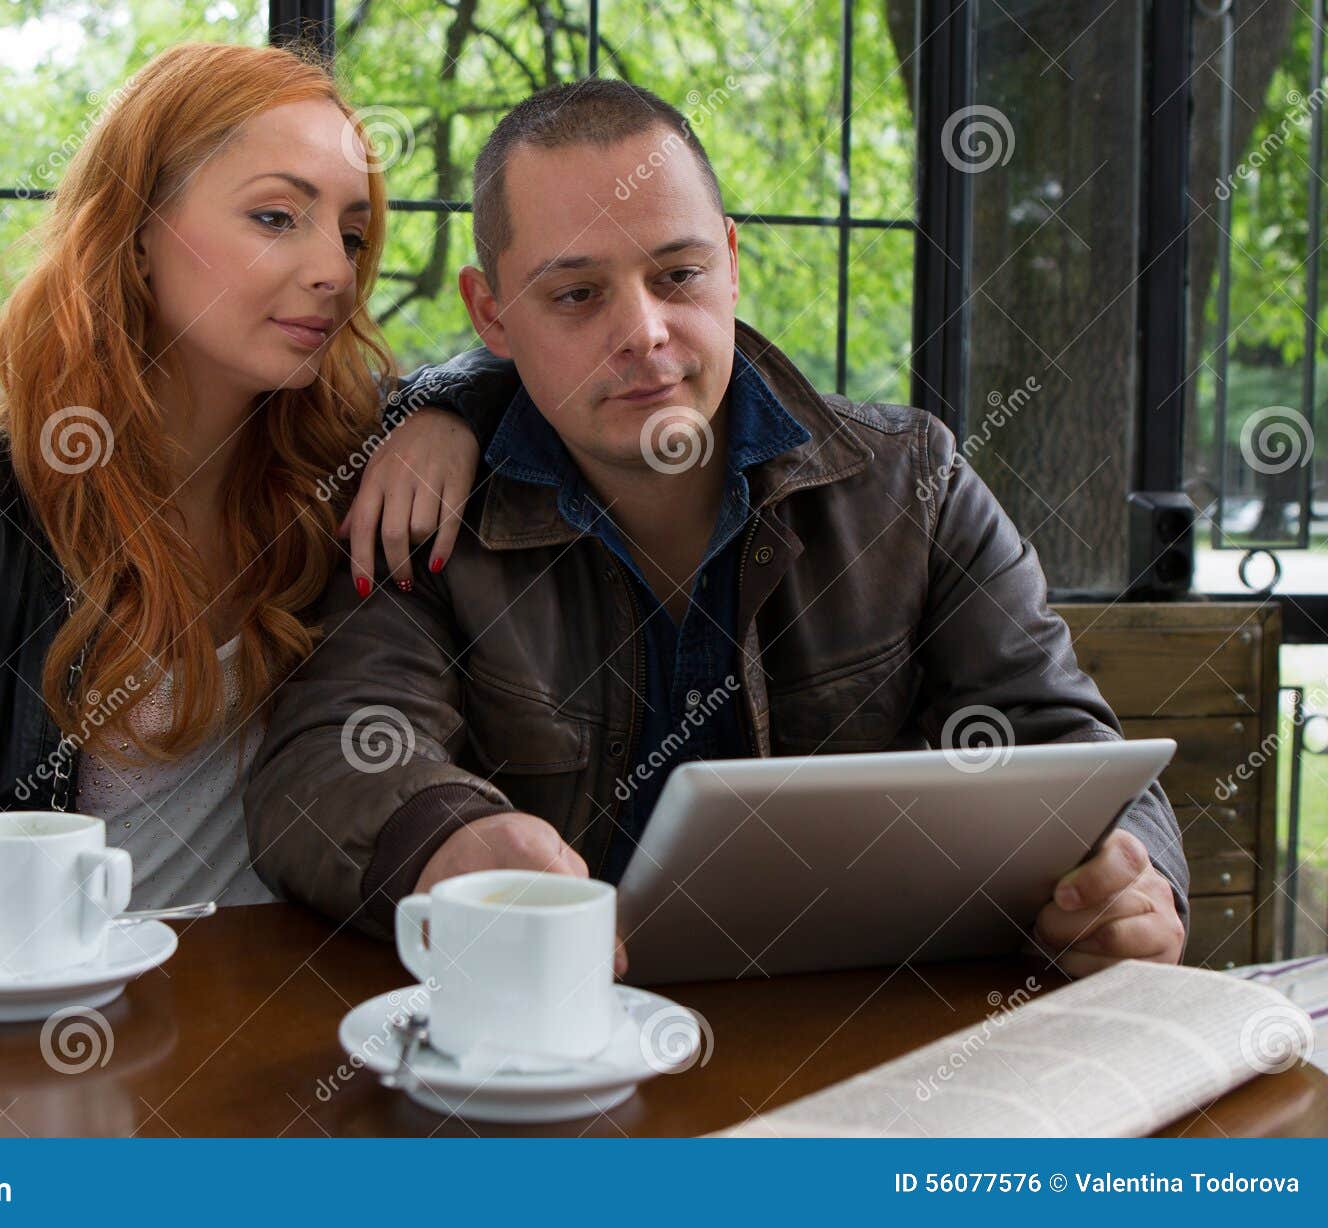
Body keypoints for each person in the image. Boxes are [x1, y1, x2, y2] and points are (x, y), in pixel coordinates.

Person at [246, 79, 1189, 981]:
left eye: (679, 274)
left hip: (863, 1039)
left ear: (732, 261)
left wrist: (1131, 883)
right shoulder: (426, 511)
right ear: (491, 312)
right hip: (553, 1051)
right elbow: (330, 754)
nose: (646, 331)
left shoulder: (916, 484)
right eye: (576, 294)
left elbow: (1064, 739)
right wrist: (454, 842)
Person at [0, 42, 481, 971]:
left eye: (354, 234)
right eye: (277, 216)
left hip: (313, 1028)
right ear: (135, 232)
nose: (335, 269)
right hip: (62, 1039)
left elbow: (542, 356)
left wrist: (455, 407)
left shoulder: (346, 472)